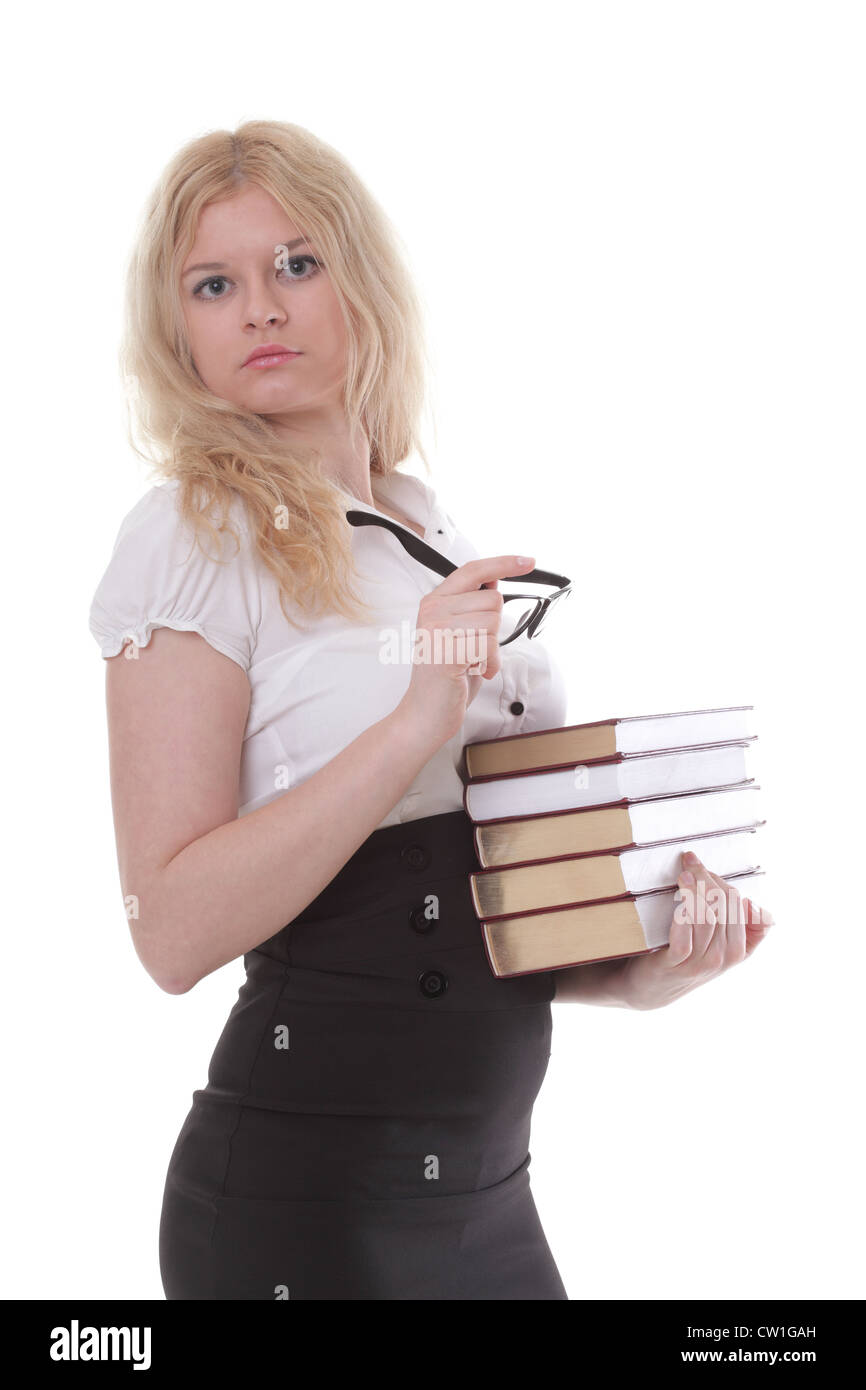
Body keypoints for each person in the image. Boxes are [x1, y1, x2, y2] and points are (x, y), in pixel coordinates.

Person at [88, 120, 774, 1301]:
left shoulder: (422, 523)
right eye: (215, 284)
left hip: (489, 1200)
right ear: (178, 330)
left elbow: (473, 918)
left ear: (361, 279)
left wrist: (642, 970)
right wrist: (413, 718)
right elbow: (171, 932)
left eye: (297, 264)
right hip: (306, 1203)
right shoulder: (190, 538)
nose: (260, 307)